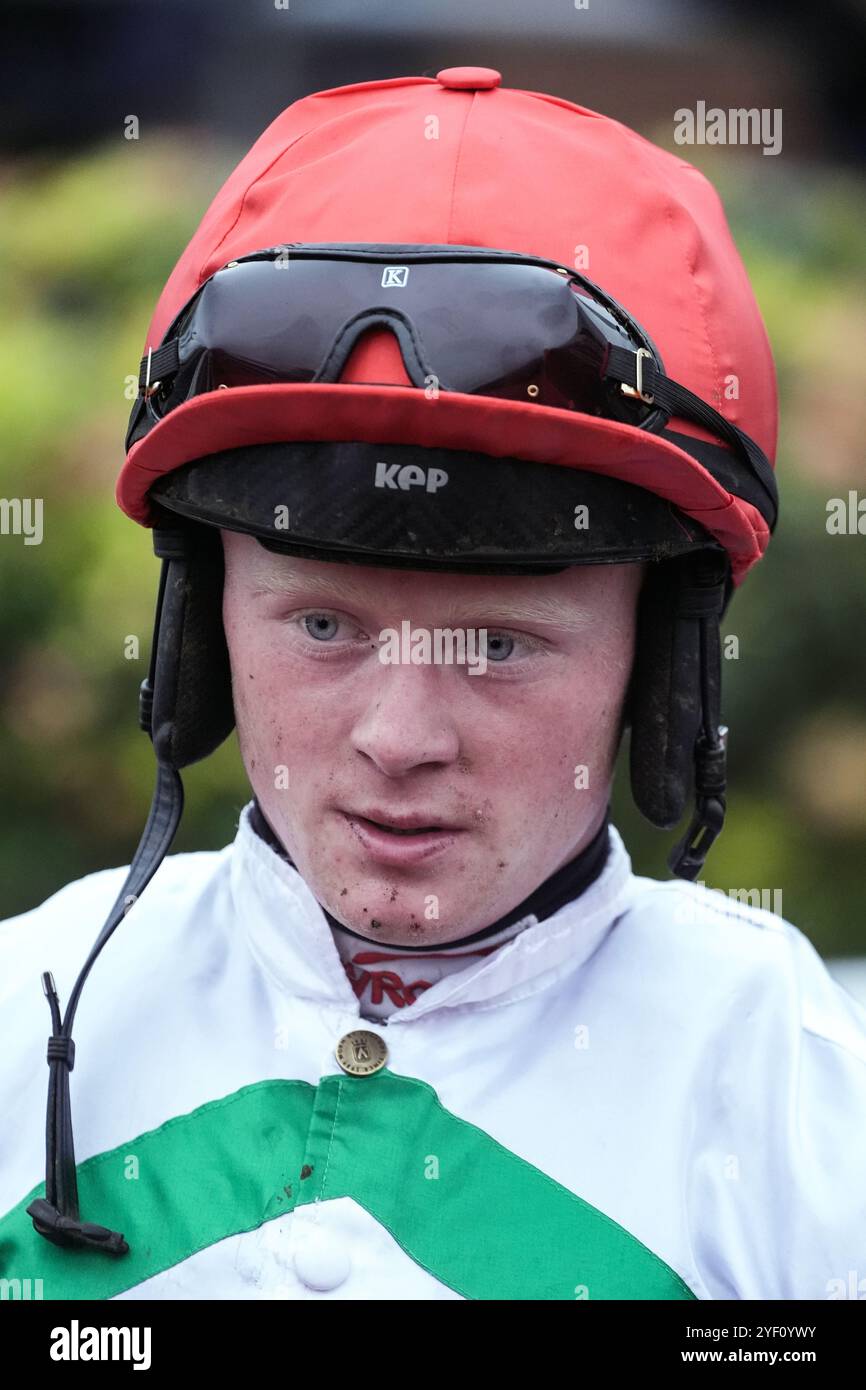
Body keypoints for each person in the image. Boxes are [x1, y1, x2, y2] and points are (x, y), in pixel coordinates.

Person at [1, 65, 864, 1302]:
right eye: (321, 624)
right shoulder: (19, 1016)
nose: (398, 739)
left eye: (499, 645)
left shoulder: (811, 1108)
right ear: (200, 627)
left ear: (660, 665)